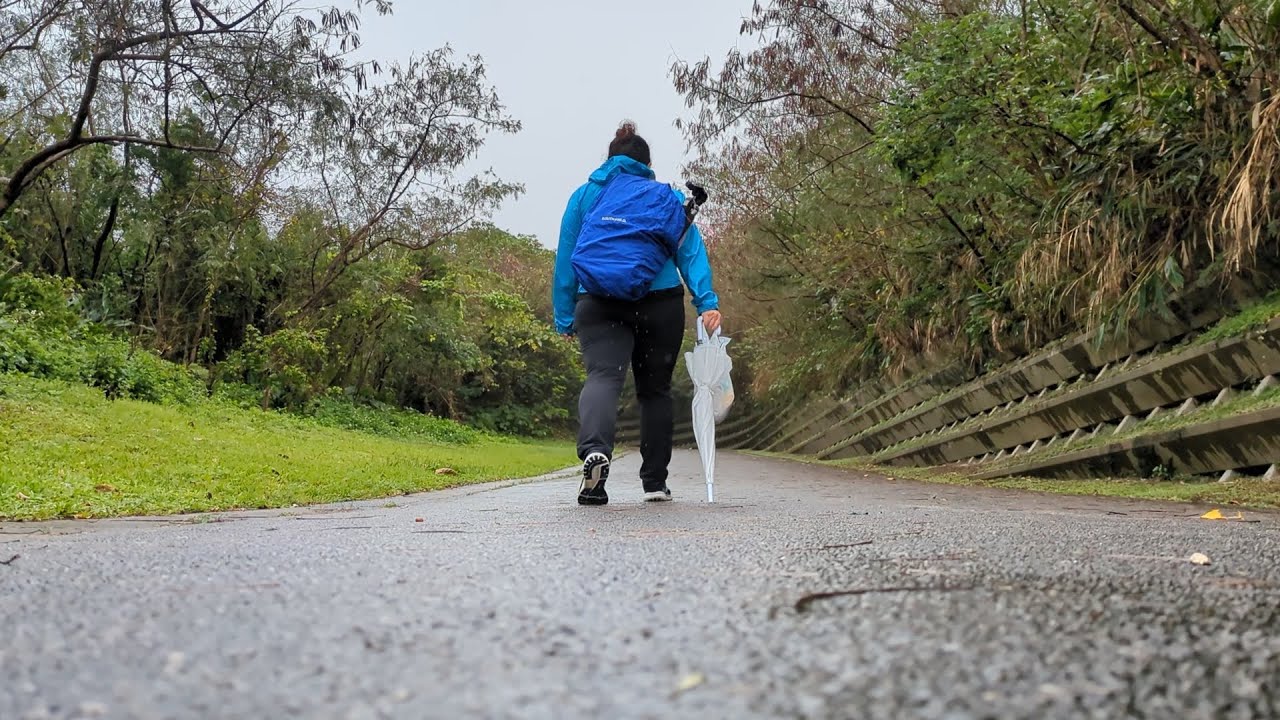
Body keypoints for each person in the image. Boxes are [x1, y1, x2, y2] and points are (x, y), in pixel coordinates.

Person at [553, 121, 722, 506]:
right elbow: (690, 251)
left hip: (597, 300)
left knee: (602, 377)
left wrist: (564, 316)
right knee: (655, 391)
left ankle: (595, 453)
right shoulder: (665, 197)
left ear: (609, 160)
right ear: (647, 164)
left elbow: (566, 259)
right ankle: (654, 483)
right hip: (659, 301)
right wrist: (706, 302)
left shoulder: (584, 197)